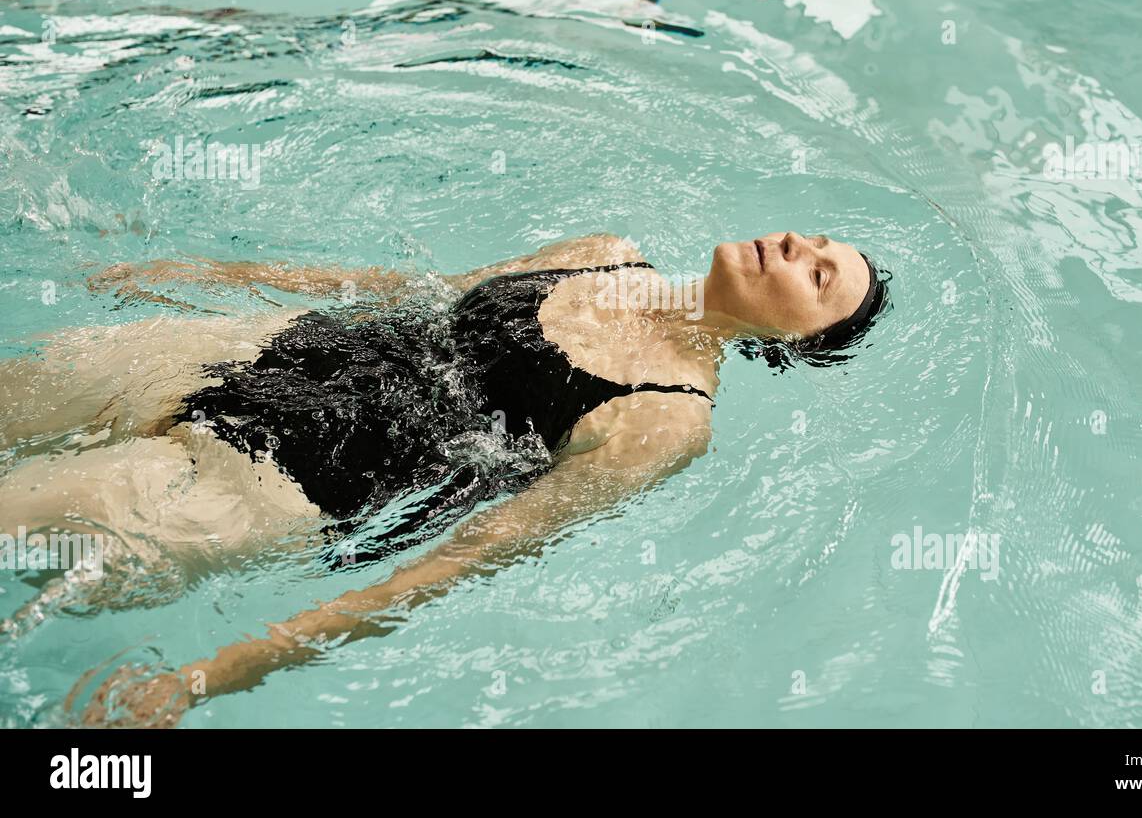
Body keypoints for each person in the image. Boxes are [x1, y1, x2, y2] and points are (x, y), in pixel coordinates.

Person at [0, 231, 888, 725]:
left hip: (275, 480)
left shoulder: (665, 418)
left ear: (793, 343)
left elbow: (473, 555)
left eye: (820, 277)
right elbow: (392, 288)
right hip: (256, 352)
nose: (799, 246)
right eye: (818, 240)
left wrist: (211, 676)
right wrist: (204, 275)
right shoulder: (606, 250)